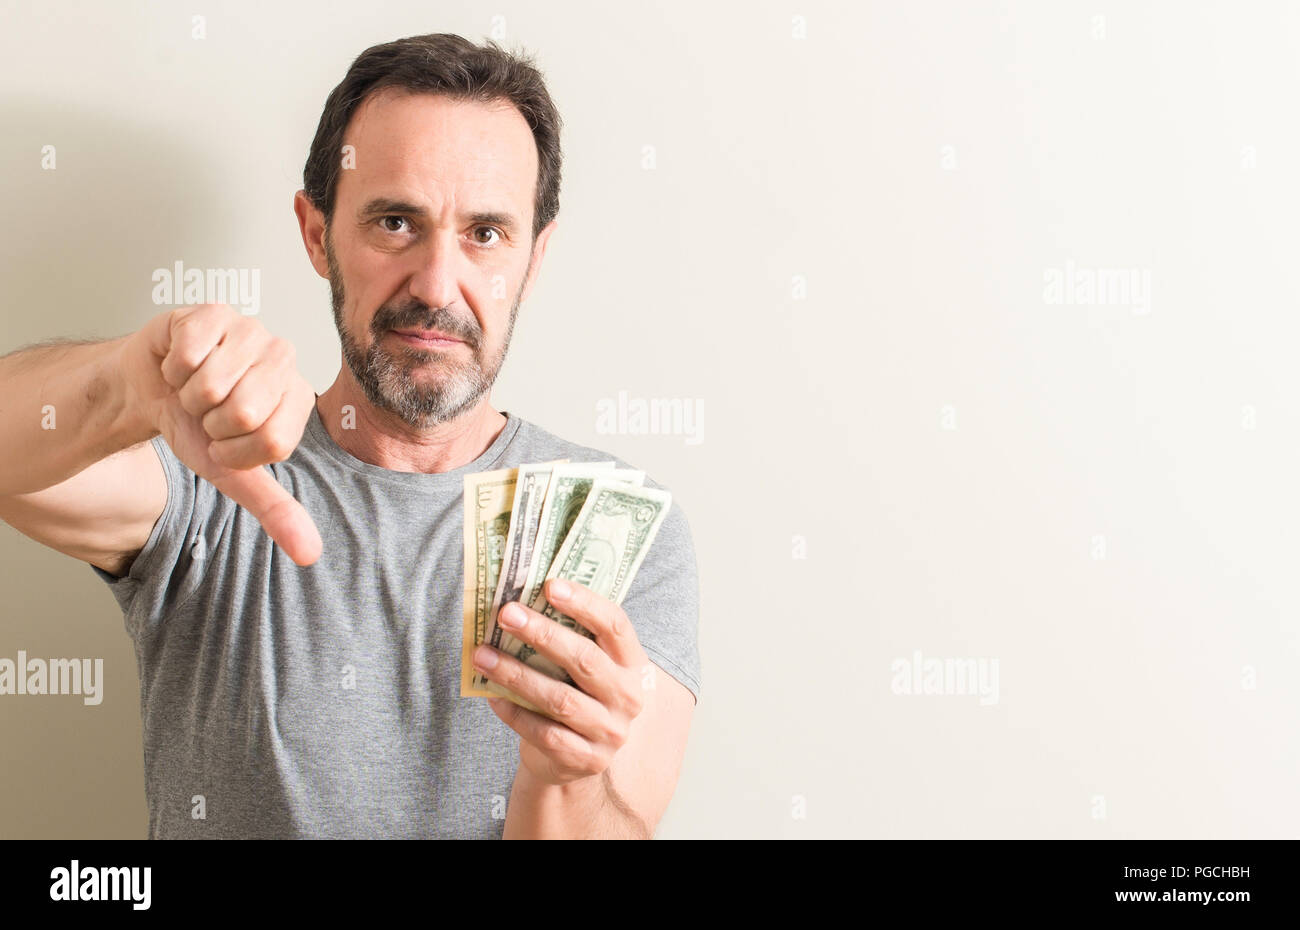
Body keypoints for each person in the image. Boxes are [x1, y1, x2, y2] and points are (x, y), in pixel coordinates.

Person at [0, 33, 700, 839]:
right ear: (316, 235)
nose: (438, 285)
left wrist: (565, 780)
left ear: (533, 260)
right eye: (396, 222)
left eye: (485, 234)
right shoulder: (210, 470)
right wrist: (126, 382)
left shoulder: (619, 526)